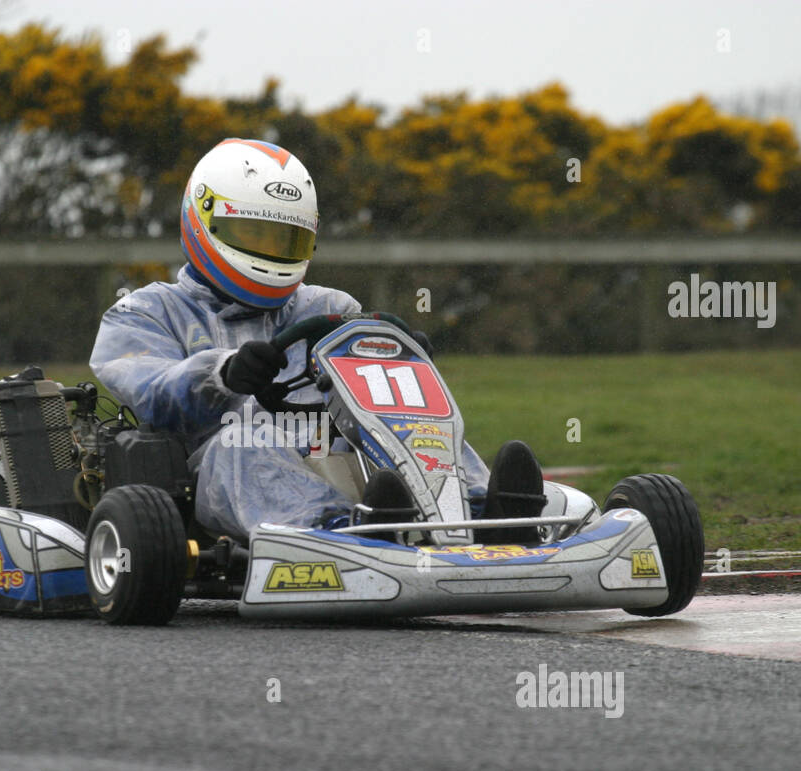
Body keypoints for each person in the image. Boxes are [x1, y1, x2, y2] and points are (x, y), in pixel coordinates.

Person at [89, 137, 543, 540]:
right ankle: (335, 529)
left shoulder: (330, 307)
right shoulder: (145, 310)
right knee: (244, 440)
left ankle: (482, 511)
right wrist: (222, 371)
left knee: (415, 425)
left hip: (332, 454)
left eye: (285, 240)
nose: (270, 252)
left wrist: (399, 358)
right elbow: (148, 390)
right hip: (212, 475)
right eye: (254, 233)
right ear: (204, 218)